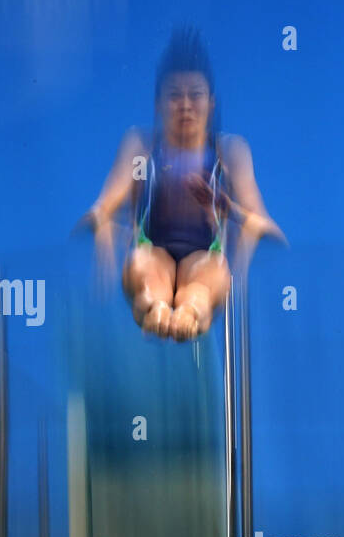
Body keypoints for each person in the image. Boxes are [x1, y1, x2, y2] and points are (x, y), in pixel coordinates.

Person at [80, 27, 285, 341]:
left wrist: (228, 209)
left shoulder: (229, 151)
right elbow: (108, 201)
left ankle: (190, 311)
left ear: (211, 103)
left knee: (206, 281)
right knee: (146, 269)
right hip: (152, 251)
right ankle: (154, 306)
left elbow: (265, 225)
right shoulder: (141, 144)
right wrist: (101, 224)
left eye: (195, 95)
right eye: (175, 95)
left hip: (205, 256)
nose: (185, 105)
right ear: (158, 104)